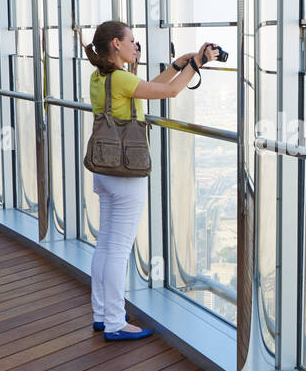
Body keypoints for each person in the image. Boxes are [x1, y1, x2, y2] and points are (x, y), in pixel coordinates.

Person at [84, 20, 219, 340]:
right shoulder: (119, 79)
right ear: (116, 44)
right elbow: (169, 92)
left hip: (104, 172)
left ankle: (102, 313)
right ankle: (116, 323)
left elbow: (148, 88)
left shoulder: (100, 76)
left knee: (104, 245)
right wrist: (198, 63)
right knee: (117, 250)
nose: (135, 45)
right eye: (132, 40)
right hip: (126, 174)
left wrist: (178, 65)